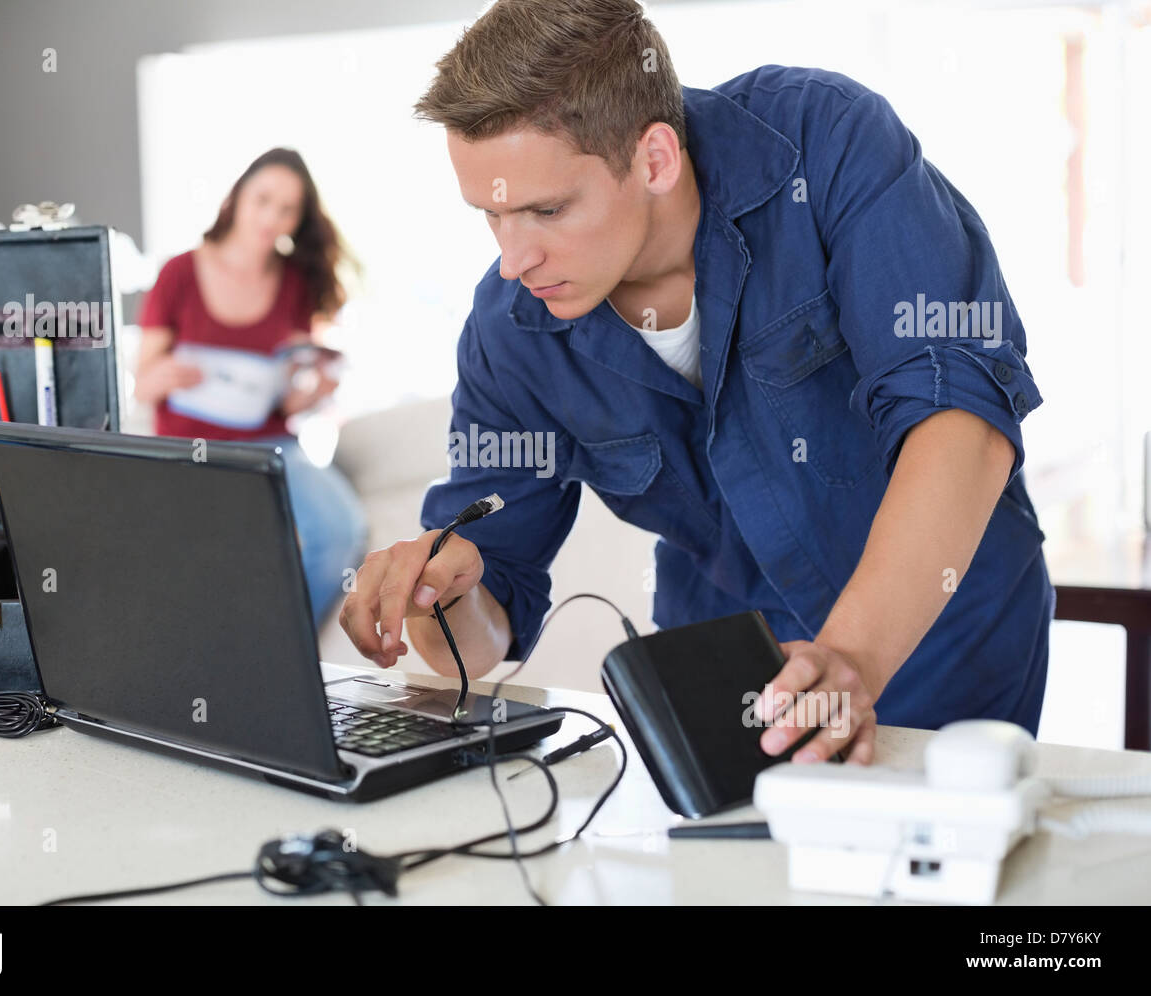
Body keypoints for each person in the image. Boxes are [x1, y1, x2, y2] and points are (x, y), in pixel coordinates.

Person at [338, 0, 1056, 767]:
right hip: (727, 672)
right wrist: (441, 604)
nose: (515, 259)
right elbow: (479, 639)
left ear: (654, 159)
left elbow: (961, 419)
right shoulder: (510, 330)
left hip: (943, 634)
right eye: (491, 215)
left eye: (547, 210)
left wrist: (849, 659)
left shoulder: (826, 144)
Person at [136, 148, 367, 627]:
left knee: (340, 530)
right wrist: (166, 374)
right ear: (237, 197)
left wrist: (316, 388)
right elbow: (143, 383)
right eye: (262, 199)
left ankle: (276, 644)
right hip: (187, 450)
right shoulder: (178, 273)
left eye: (287, 209)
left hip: (271, 447)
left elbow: (287, 401)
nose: (271, 217)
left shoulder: (298, 284)